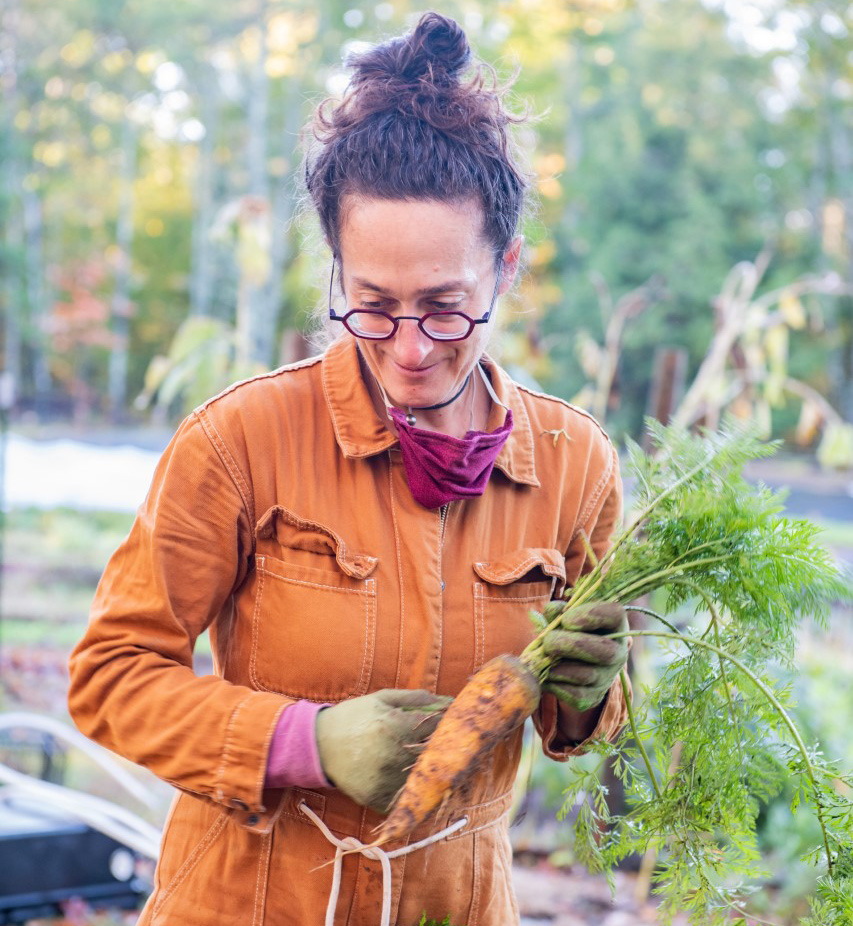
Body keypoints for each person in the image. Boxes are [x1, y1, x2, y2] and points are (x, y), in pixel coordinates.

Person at [68, 12, 630, 926]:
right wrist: (305, 742)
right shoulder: (241, 439)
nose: (408, 349)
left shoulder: (575, 464)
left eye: (444, 307)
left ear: (505, 268)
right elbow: (109, 676)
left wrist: (591, 694)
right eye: (372, 304)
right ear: (337, 270)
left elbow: (582, 723)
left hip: (454, 907)